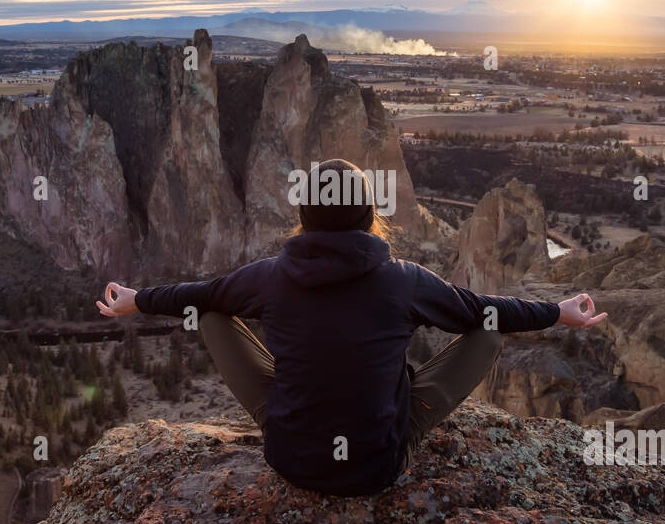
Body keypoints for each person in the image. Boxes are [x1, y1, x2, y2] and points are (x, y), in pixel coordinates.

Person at [97, 158, 607, 497]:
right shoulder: (403, 280)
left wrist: (137, 301)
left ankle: (292, 417)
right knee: (489, 330)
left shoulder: (270, 278)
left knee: (211, 311)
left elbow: (200, 295)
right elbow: (480, 311)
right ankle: (401, 426)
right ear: (368, 214)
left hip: (291, 461)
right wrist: (558, 312)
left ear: (304, 217)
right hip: (377, 469)